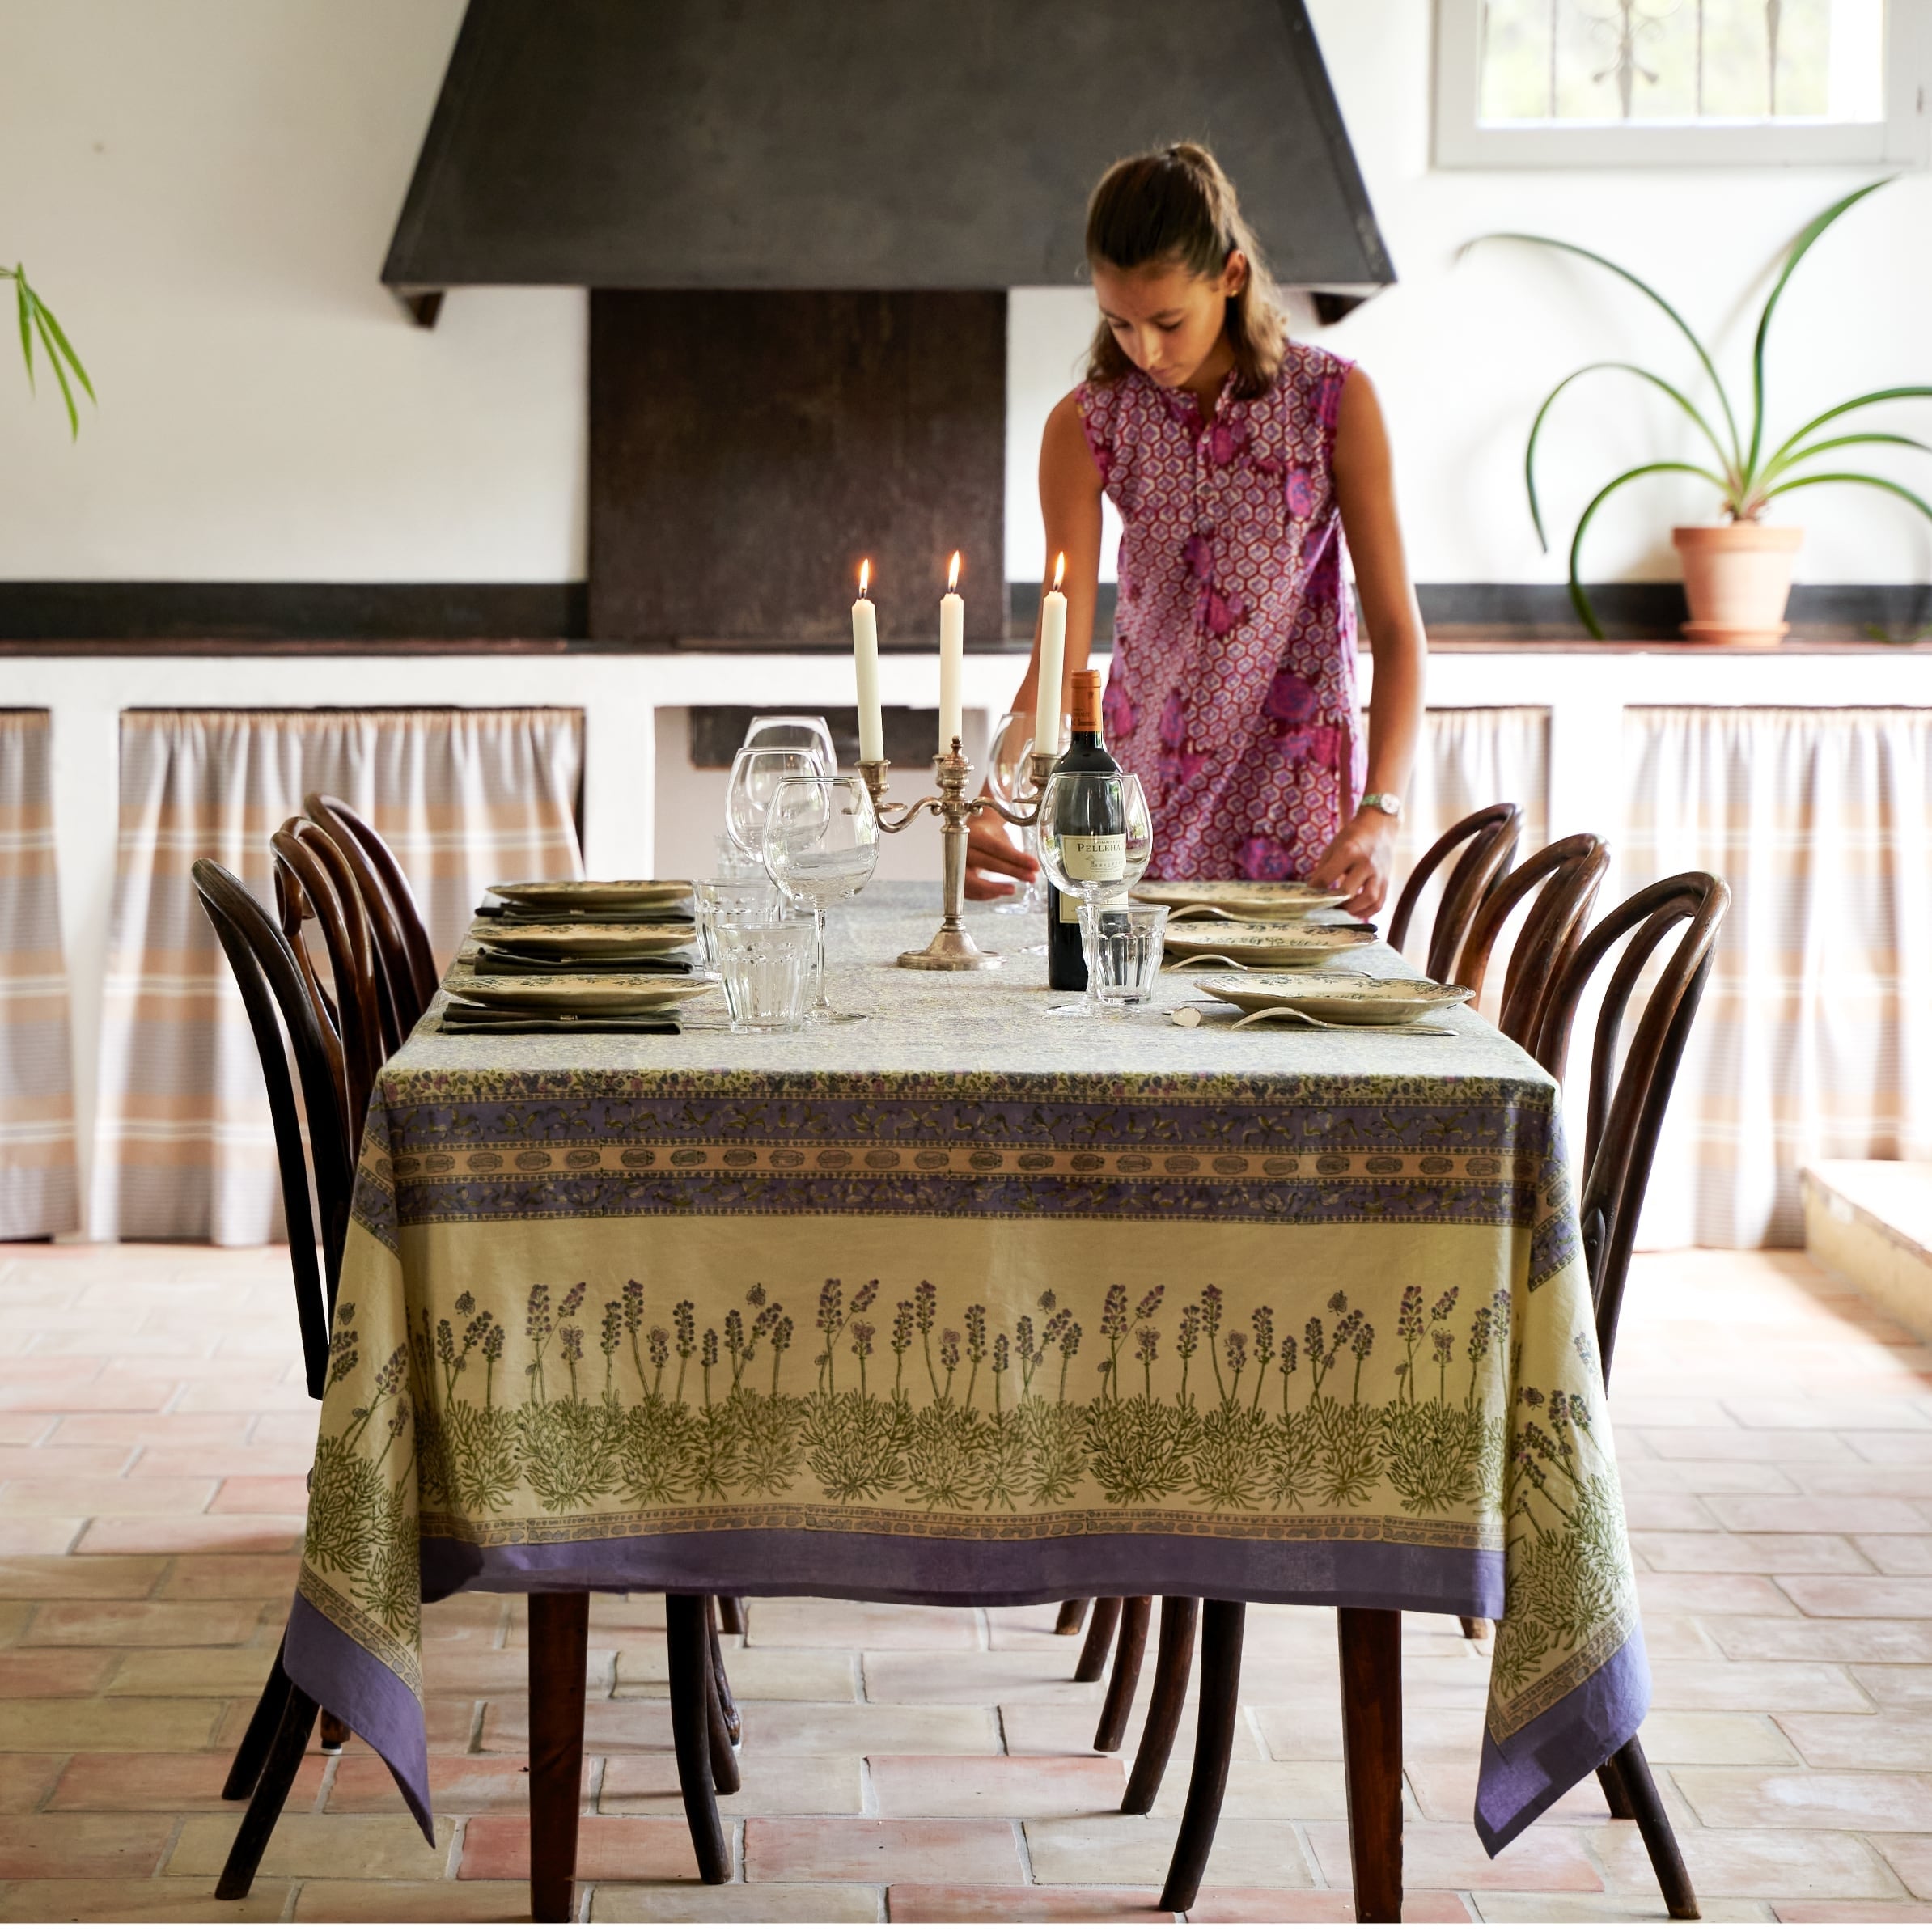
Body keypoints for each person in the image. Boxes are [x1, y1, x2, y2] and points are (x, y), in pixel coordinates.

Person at [965, 142, 1425, 916]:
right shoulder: (1086, 426)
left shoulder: (1335, 404)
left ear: (1232, 278)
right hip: (1136, 810)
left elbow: (1398, 632)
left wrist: (1380, 812)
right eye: (1119, 324)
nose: (1144, 351)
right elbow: (1061, 640)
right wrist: (1000, 794)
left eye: (1168, 322)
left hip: (1296, 808)